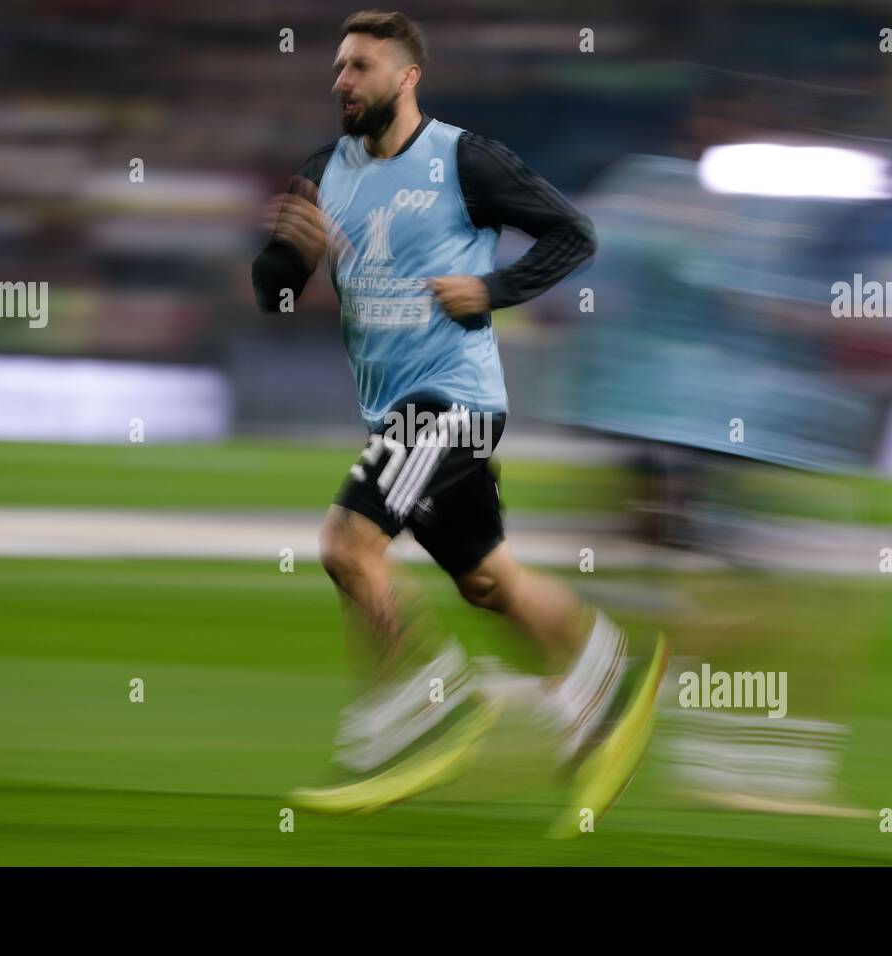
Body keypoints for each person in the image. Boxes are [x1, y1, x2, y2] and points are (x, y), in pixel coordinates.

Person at [251, 9, 667, 836]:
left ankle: (426, 715)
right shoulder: (322, 172)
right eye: (338, 67)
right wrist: (278, 261)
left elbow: (572, 234)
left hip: (452, 404)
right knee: (486, 582)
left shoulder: (463, 160)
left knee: (347, 546)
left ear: (406, 78)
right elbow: (277, 289)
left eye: (361, 66)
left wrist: (492, 291)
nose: (342, 81)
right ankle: (601, 674)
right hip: (400, 411)